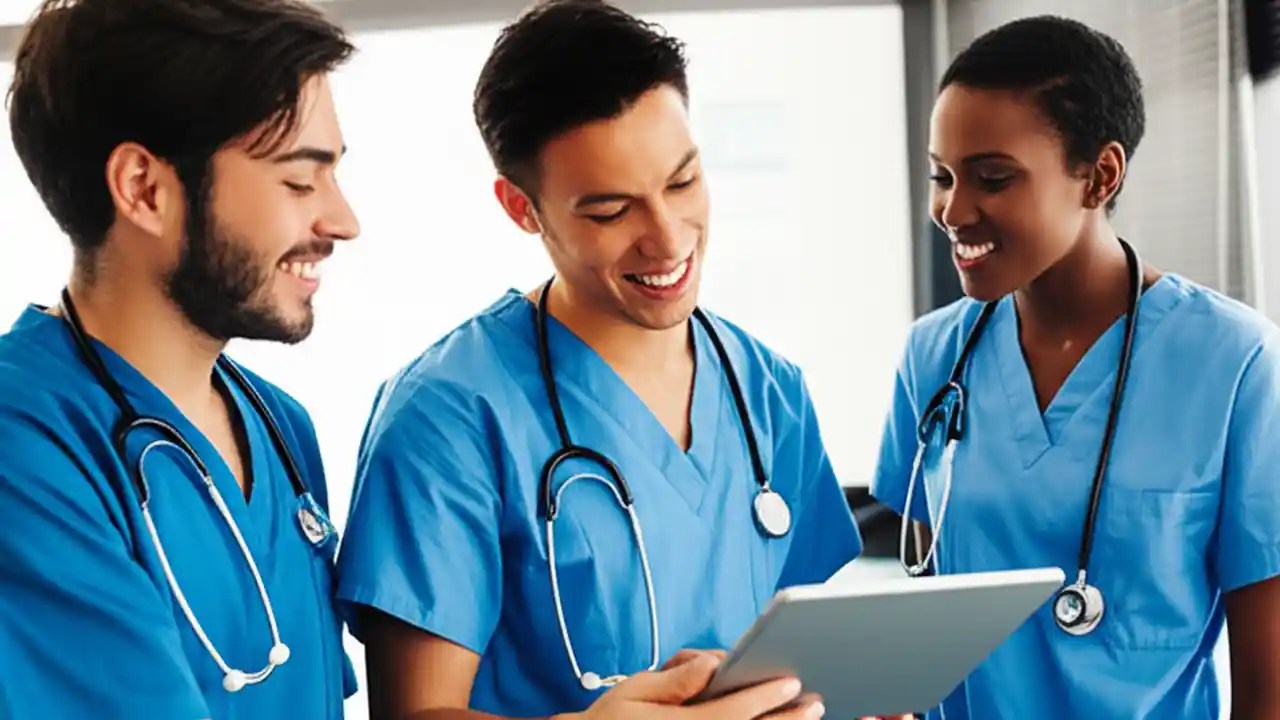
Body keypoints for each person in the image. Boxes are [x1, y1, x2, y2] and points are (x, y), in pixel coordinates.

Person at [334, 1, 863, 719]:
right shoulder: (447, 416)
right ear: (522, 208)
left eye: (682, 183)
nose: (668, 238)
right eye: (612, 212)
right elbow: (414, 714)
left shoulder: (767, 388)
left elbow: (790, 663)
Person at [871, 15, 1280, 719]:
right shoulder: (933, 356)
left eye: (992, 178)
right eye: (942, 175)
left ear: (1100, 176)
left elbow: (1270, 690)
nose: (952, 209)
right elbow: (924, 614)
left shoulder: (1237, 365)